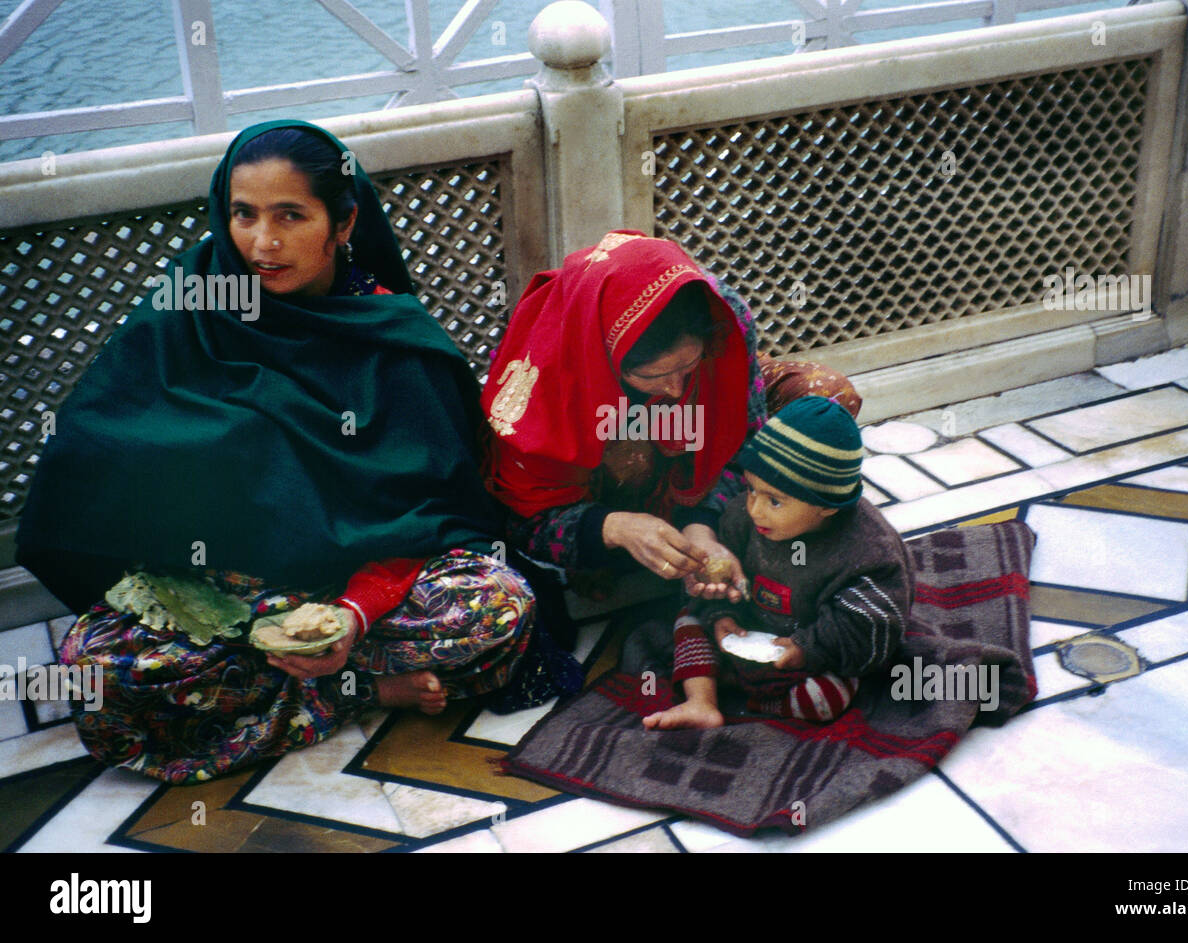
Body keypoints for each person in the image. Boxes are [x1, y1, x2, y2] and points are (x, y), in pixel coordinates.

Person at [15, 120, 565, 784]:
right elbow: (97, 440)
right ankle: (358, 692)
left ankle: (321, 681)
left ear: (343, 222)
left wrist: (353, 615)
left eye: (290, 216)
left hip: (371, 590)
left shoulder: (390, 334)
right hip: (236, 595)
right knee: (99, 671)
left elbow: (436, 511)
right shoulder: (190, 304)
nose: (261, 242)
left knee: (497, 604)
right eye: (242, 214)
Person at [481, 230, 863, 600]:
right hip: (614, 459)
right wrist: (614, 527)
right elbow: (523, 516)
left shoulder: (720, 314)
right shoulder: (550, 366)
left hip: (701, 424)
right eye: (656, 376)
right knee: (632, 451)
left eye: (688, 367)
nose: (677, 391)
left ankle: (758, 526)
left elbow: (743, 434)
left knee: (826, 397)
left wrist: (702, 528)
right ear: (606, 359)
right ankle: (618, 545)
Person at [643, 396, 913, 729]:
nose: (755, 509)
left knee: (827, 696)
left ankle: (760, 699)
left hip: (811, 651)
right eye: (752, 489)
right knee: (688, 621)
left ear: (826, 506)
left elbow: (870, 628)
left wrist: (808, 648)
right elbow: (720, 587)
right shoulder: (743, 517)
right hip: (750, 629)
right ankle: (702, 702)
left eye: (774, 500)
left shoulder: (867, 552)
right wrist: (722, 611)